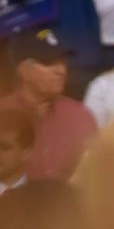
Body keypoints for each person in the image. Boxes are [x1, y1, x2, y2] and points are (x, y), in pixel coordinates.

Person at [0, 31, 96, 181]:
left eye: (63, 62)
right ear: (24, 70)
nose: (61, 71)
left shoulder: (80, 115)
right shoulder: (3, 113)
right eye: (49, 63)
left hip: (69, 202)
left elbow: (95, 174)